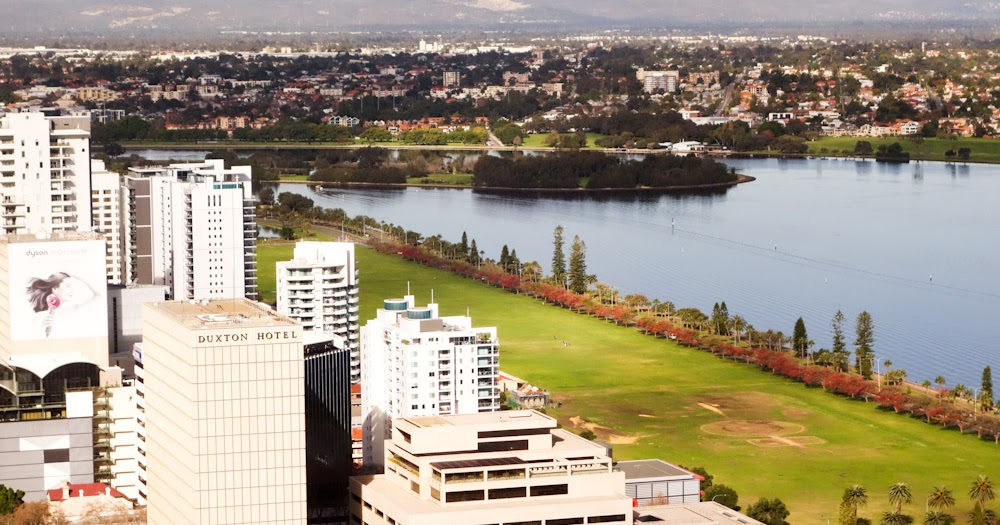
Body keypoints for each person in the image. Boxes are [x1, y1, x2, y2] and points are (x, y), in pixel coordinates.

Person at [26, 272, 96, 338]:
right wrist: (42, 330)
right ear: (55, 288)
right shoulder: (40, 317)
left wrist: (75, 275)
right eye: (68, 286)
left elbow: (100, 295)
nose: (71, 290)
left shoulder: (75, 310)